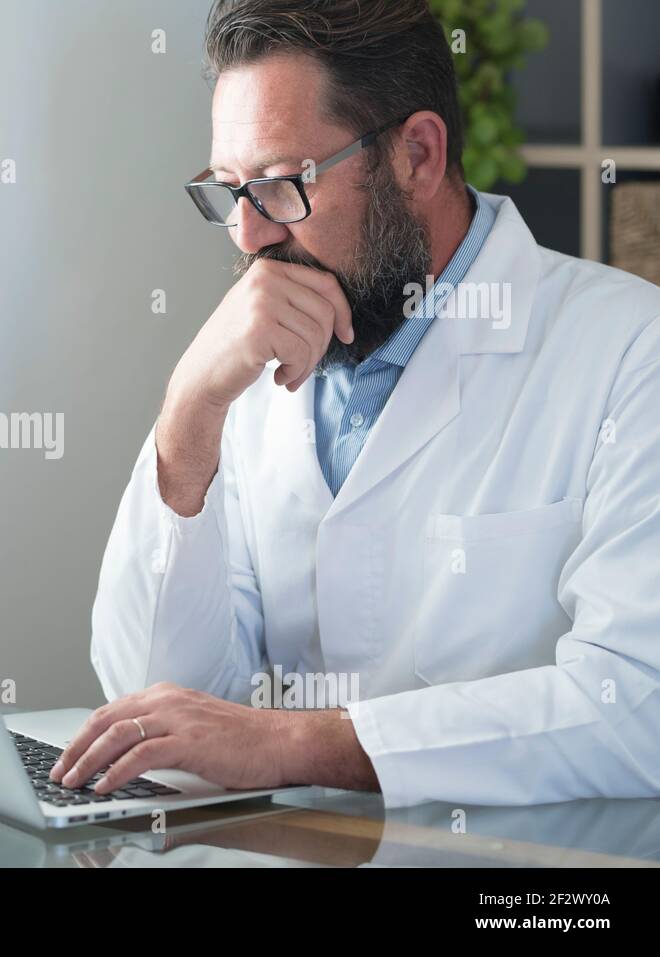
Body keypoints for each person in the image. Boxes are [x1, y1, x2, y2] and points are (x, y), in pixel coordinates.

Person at [51, 0, 660, 808]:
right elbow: (155, 702)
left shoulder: (630, 352)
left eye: (280, 185)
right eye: (230, 192)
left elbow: (635, 709)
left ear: (417, 154)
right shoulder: (254, 366)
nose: (249, 238)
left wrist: (293, 743)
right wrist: (188, 412)